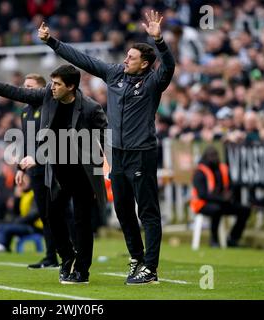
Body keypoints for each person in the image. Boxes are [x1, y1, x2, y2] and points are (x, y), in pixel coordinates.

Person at [38, 10, 175, 284]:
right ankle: (136, 258)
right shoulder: (115, 75)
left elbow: (169, 67)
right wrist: (53, 42)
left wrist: (159, 41)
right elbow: (84, 60)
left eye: (131, 58)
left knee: (146, 211)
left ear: (146, 64)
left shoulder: (152, 83)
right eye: (126, 56)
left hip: (141, 153)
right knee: (123, 211)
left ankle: (151, 267)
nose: (125, 60)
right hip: (116, 154)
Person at [0, 64, 108, 284]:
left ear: (71, 86)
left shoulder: (90, 108)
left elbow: (104, 136)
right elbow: (19, 92)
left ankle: (82, 271)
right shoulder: (48, 96)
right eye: (52, 83)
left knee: (82, 222)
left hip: (82, 172)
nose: (52, 87)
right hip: (56, 171)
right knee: (52, 217)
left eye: (57, 84)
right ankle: (66, 257)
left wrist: (107, 163)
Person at [15, 73, 59, 269]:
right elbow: (25, 141)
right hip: (34, 170)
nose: (26, 90)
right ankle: (51, 256)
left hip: (54, 168)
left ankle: (71, 253)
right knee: (45, 214)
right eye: (25, 86)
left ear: (42, 89)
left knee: (60, 212)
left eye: (30, 87)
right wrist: (20, 168)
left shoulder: (49, 109)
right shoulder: (25, 111)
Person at [190, 146, 251, 247]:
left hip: (222, 202)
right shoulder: (200, 172)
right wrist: (222, 198)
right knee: (216, 210)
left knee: (245, 210)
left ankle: (233, 239)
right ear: (206, 157)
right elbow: (202, 195)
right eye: (211, 156)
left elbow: (231, 185)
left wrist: (230, 194)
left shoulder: (223, 168)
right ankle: (214, 240)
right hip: (202, 205)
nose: (214, 158)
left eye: (215, 155)